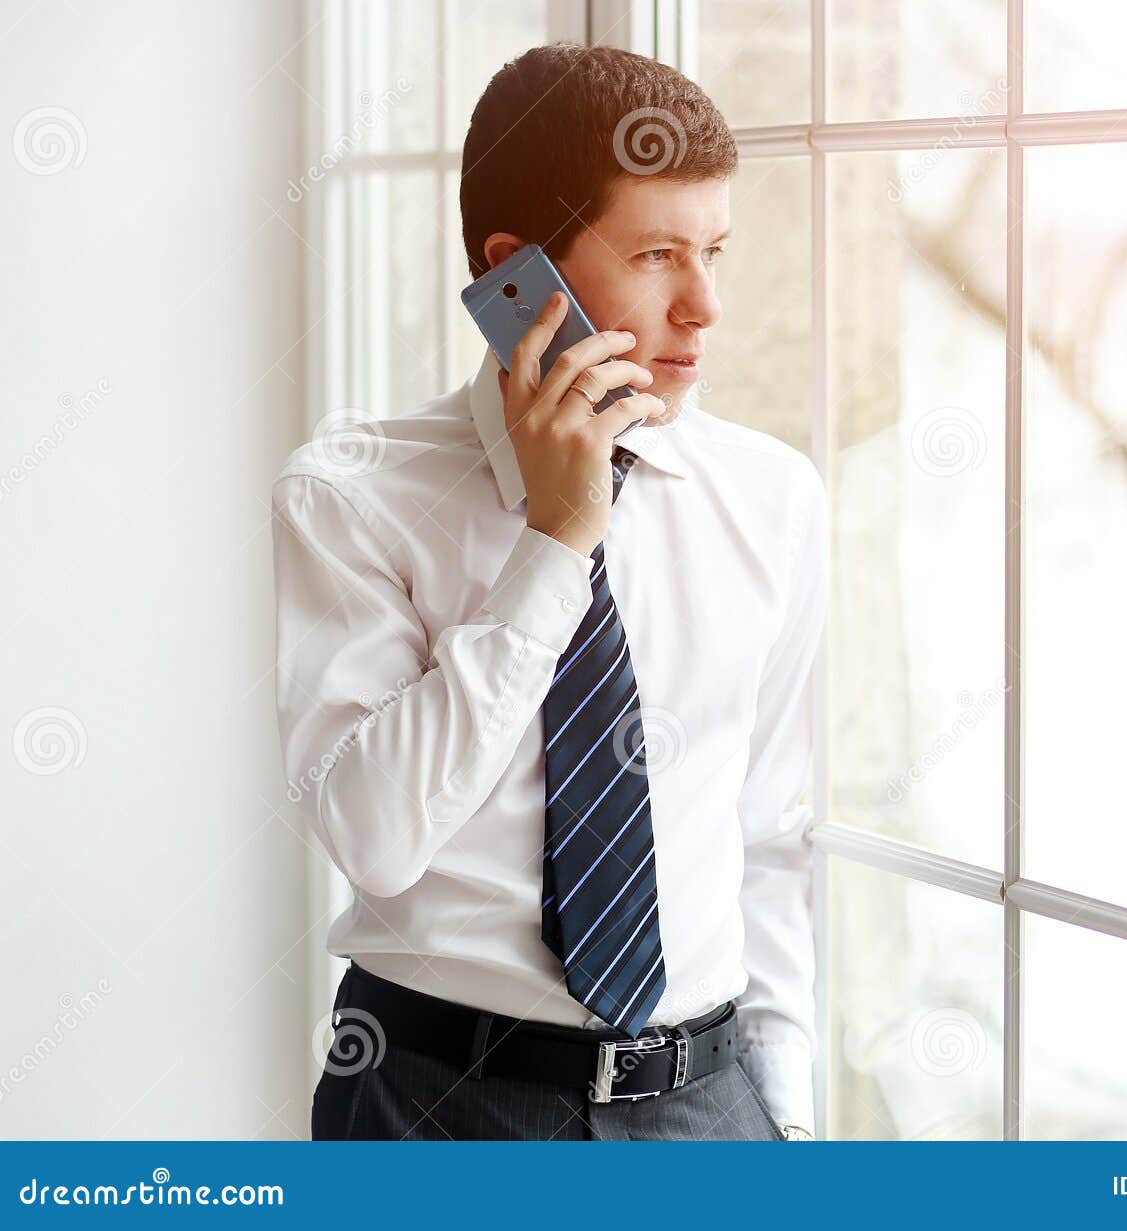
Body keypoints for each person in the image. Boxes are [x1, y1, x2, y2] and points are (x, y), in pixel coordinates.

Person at [270, 41, 825, 1141]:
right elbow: (375, 833)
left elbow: (768, 836)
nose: (704, 305)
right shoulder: (352, 493)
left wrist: (788, 1123)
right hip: (430, 1101)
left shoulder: (771, 498)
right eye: (659, 253)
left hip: (709, 1110)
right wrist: (557, 539)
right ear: (519, 274)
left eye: (715, 249)